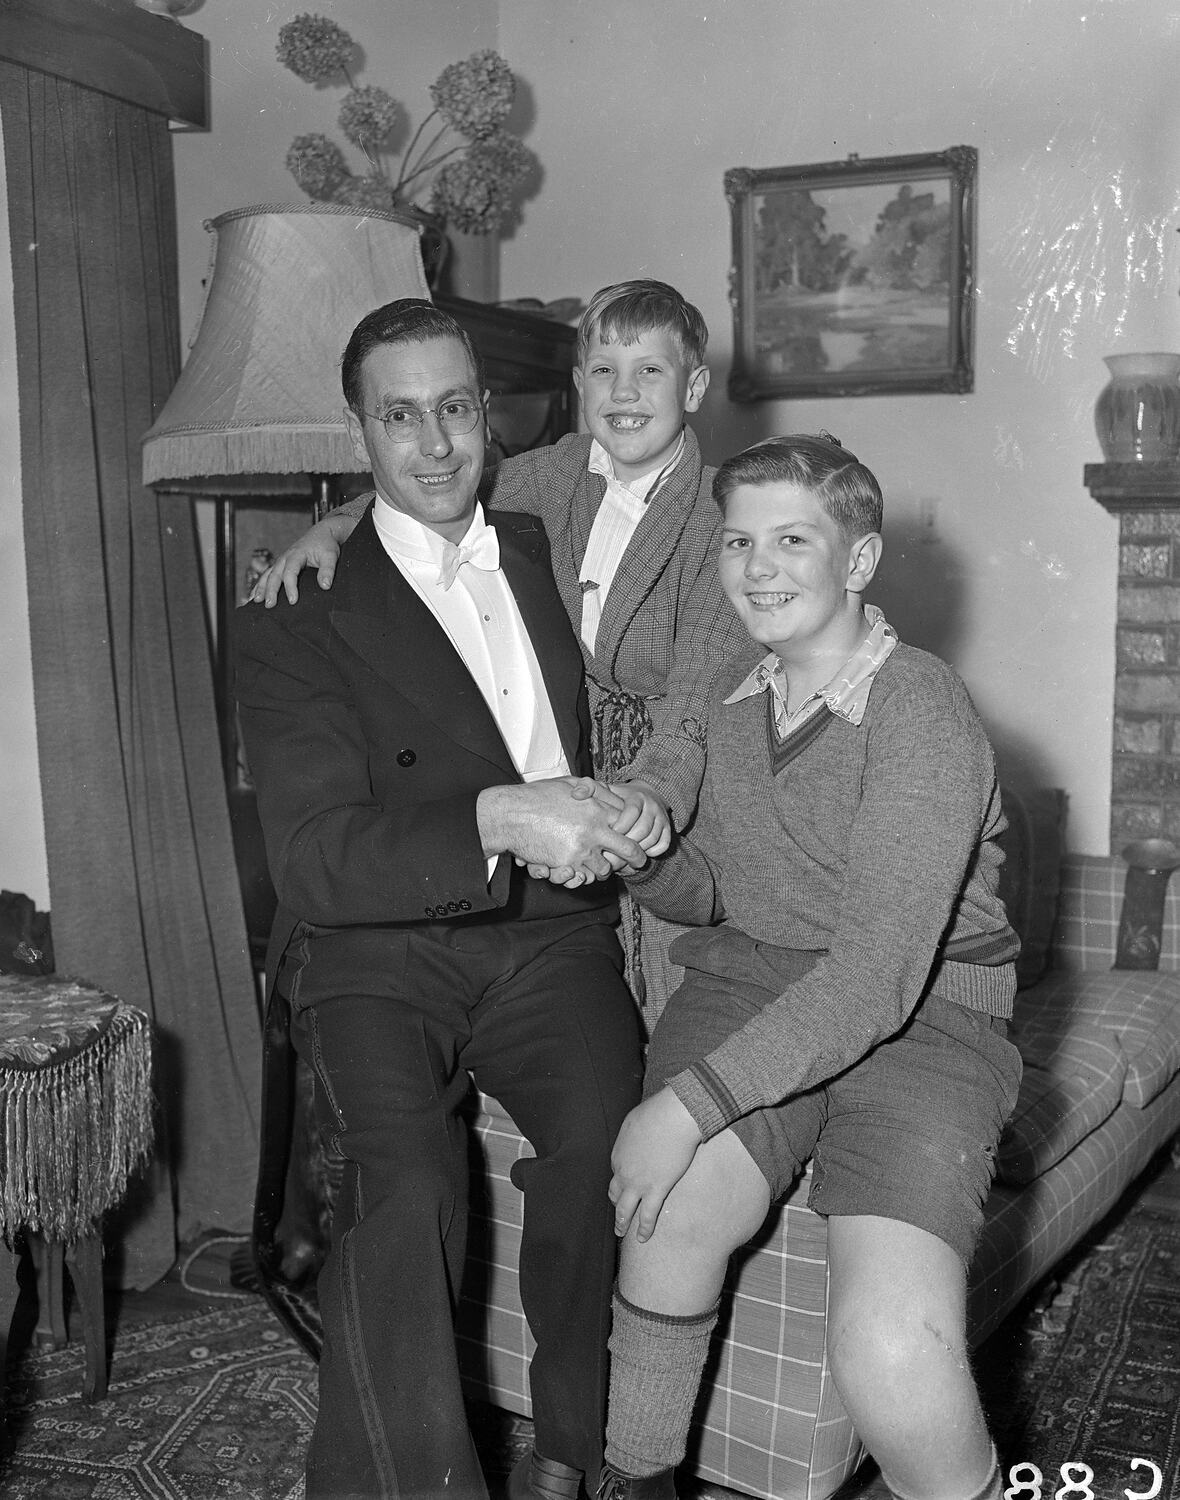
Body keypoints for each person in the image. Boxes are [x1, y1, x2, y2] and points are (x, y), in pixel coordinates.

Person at [235, 298, 670, 1500]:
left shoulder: (541, 536)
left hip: (547, 942)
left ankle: (576, 1452)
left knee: (608, 1147)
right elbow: (314, 857)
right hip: (374, 948)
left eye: (455, 408)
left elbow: (680, 473)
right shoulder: (292, 608)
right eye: (399, 416)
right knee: (405, 1190)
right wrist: (495, 816)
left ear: (493, 415)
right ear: (359, 430)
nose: (432, 444)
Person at [597, 434, 1023, 1500]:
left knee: (887, 1350)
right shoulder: (734, 700)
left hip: (927, 1017)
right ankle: (633, 1479)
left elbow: (877, 978)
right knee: (670, 1213)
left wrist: (682, 1106)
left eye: (792, 539)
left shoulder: (919, 707)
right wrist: (644, 858)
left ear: (860, 561)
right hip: (754, 982)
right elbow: (722, 897)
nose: (758, 566)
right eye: (738, 540)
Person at [251, 279, 752, 1010]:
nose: (626, 393)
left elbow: (697, 701)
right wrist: (333, 526)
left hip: (674, 791)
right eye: (605, 372)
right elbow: (438, 486)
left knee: (671, 1008)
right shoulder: (554, 476)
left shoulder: (722, 518)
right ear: (579, 385)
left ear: (696, 386)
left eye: (652, 371)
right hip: (568, 801)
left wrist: (651, 797)